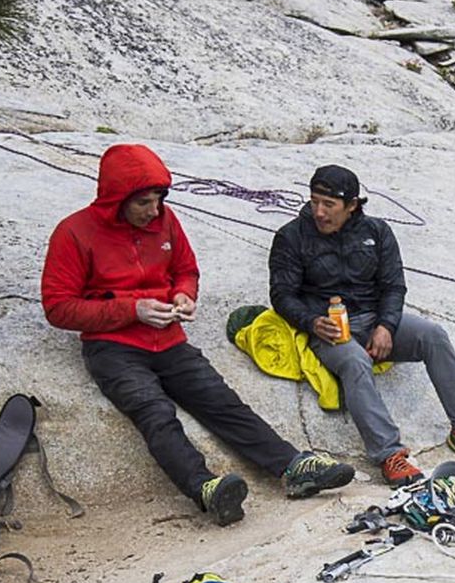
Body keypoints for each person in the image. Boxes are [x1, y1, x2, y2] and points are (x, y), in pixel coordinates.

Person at [42, 143, 353, 525]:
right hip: (113, 348)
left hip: (169, 339)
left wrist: (184, 296)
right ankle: (205, 487)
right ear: (116, 198)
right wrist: (130, 309)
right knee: (155, 412)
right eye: (143, 202)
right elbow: (57, 307)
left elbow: (186, 269)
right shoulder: (75, 233)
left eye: (158, 199)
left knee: (221, 401)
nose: (153, 211)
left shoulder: (165, 221)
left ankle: (292, 467)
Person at [268, 164, 455, 485]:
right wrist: (311, 321)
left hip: (375, 318)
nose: (319, 211)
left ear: (352, 206)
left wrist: (387, 326)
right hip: (329, 328)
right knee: (354, 360)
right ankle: (389, 454)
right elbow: (282, 294)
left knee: (433, 335)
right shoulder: (291, 237)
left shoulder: (377, 232)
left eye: (328, 205)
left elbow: (393, 286)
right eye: (314, 201)